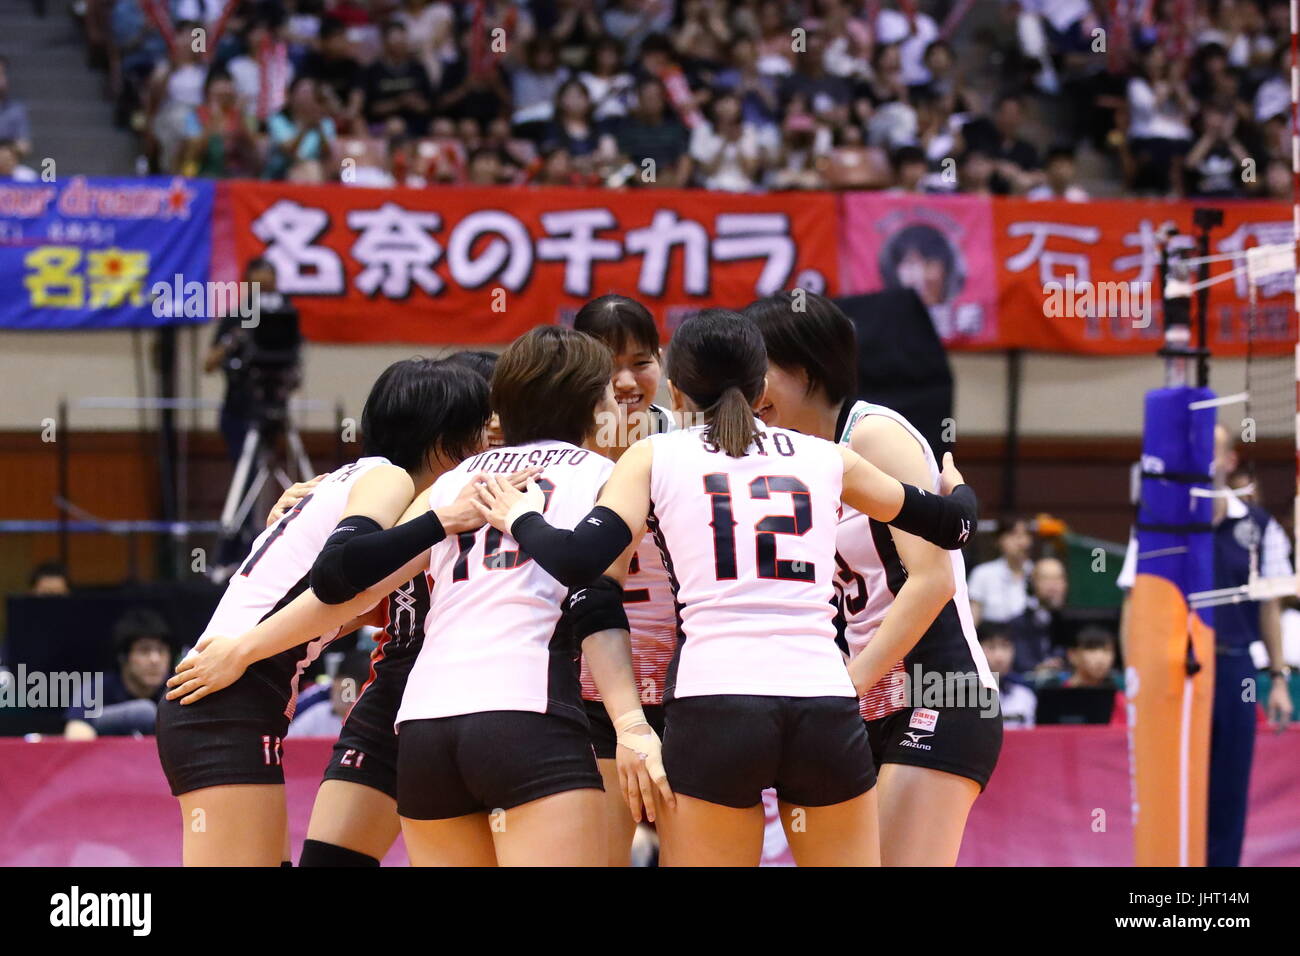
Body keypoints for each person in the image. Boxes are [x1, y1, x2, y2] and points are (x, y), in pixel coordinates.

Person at [473, 309, 980, 866]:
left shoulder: (653, 454)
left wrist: (522, 516)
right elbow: (951, 526)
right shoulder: (826, 455)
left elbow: (578, 564)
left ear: (675, 391)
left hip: (715, 703)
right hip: (822, 705)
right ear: (761, 384)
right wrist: (960, 496)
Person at [169, 330, 665, 867]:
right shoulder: (582, 478)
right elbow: (591, 589)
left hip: (428, 717)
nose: (489, 431)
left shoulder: (451, 484)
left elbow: (346, 588)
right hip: (478, 703)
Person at [157, 358, 496, 866]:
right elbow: (342, 580)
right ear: (445, 440)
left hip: (236, 700)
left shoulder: (354, 480)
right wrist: (442, 520)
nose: (484, 450)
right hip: (224, 695)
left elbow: (352, 600)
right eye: (477, 434)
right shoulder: (389, 481)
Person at [744, 291, 1000, 867]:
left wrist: (844, 689)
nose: (748, 397)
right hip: (869, 707)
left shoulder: (872, 434)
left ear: (805, 371)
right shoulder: (795, 462)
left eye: (757, 376)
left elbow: (932, 581)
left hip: (939, 691)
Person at [1118, 422, 1294, 866]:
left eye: (1213, 451)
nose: (1202, 461)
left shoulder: (1259, 527)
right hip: (1172, 671)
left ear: (1231, 460)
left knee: (1227, 792)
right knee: (1170, 787)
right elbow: (1134, 603)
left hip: (1235, 671)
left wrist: (1276, 678)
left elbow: (1269, 605)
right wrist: (1133, 673)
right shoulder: (1158, 523)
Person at [573, 294, 677, 866]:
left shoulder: (690, 446)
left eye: (642, 360)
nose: (627, 380)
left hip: (687, 686)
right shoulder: (562, 454)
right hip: (591, 689)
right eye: (610, 363)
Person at [65, 608, 174, 740]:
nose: (155, 660)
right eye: (144, 651)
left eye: (162, 651)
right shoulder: (96, 689)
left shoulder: (178, 689)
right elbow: (76, 735)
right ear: (123, 657)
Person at [967, 515, 1033, 625]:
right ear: (999, 540)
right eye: (1014, 534)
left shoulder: (1037, 573)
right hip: (992, 637)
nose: (1022, 542)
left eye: (1026, 535)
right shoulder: (983, 574)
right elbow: (972, 620)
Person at [977, 623, 1036, 729]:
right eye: (991, 647)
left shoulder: (1025, 696)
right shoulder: (964, 697)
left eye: (1005, 646)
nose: (999, 656)